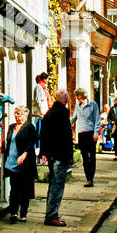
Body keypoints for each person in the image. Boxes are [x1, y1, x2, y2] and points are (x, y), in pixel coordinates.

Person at [40, 90, 73, 225]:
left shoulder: (49, 113)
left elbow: (43, 135)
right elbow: (65, 138)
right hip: (60, 155)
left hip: (52, 155)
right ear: (65, 100)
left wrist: (44, 153)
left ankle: (51, 213)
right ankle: (52, 216)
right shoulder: (61, 114)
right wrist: (68, 155)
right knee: (57, 185)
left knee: (54, 184)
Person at [2, 106, 38, 222]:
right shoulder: (11, 127)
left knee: (24, 190)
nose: (17, 116)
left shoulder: (29, 127)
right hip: (11, 161)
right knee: (14, 189)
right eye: (16, 113)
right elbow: (8, 142)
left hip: (24, 163)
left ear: (25, 115)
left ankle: (23, 213)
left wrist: (24, 154)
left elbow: (31, 142)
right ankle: (13, 212)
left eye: (19, 114)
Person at [73, 88, 100, 187]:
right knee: (84, 157)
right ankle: (88, 177)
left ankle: (90, 178)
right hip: (81, 134)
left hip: (90, 133)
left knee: (92, 156)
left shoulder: (93, 105)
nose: (77, 98)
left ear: (82, 96)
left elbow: (97, 120)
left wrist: (96, 133)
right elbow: (73, 118)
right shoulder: (78, 107)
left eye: (78, 96)